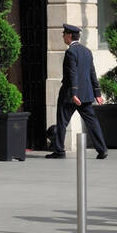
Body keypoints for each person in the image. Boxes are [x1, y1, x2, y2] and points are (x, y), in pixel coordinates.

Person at [47, 24, 108, 159]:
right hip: (86, 95)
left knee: (62, 121)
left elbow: (72, 74)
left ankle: (59, 150)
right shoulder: (87, 51)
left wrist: (74, 93)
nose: (63, 36)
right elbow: (92, 73)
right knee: (92, 122)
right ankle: (102, 150)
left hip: (70, 95)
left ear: (69, 35)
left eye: (64, 34)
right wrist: (97, 93)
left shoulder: (71, 52)